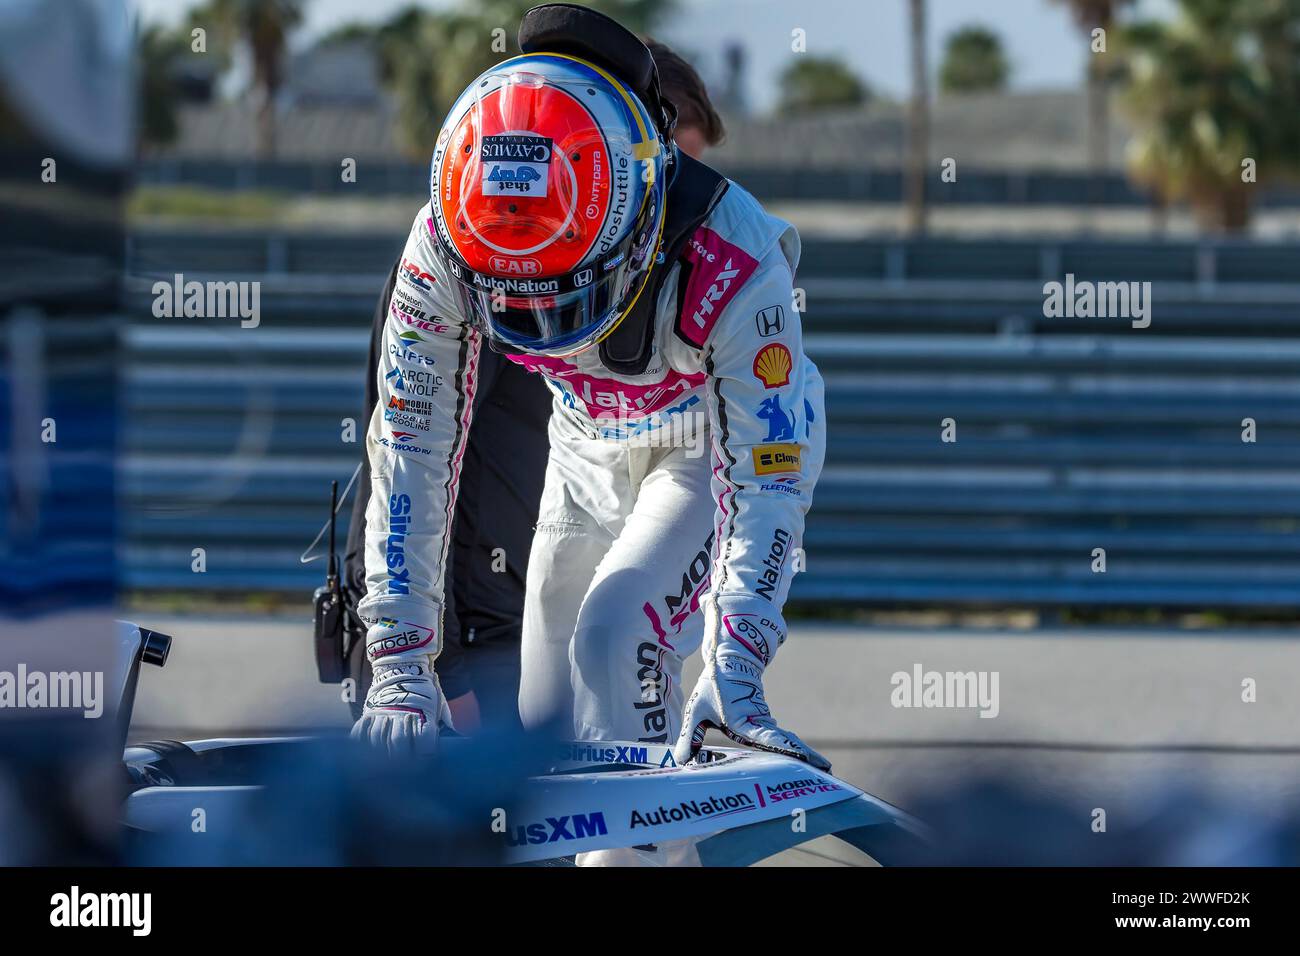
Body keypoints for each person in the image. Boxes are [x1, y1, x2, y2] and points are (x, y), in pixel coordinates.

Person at [351, 3, 827, 786]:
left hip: (707, 447)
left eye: (562, 293)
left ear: (641, 211)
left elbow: (767, 481)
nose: (542, 324)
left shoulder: (736, 263)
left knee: (615, 636)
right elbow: (408, 445)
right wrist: (400, 662)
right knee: (541, 719)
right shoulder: (444, 237)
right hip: (579, 443)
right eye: (514, 298)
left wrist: (735, 673)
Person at [341, 37, 728, 734]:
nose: (678, 212)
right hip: (458, 648)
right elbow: (397, 462)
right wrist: (435, 669)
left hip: (522, 618)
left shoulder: (637, 276)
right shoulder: (490, 268)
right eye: (668, 175)